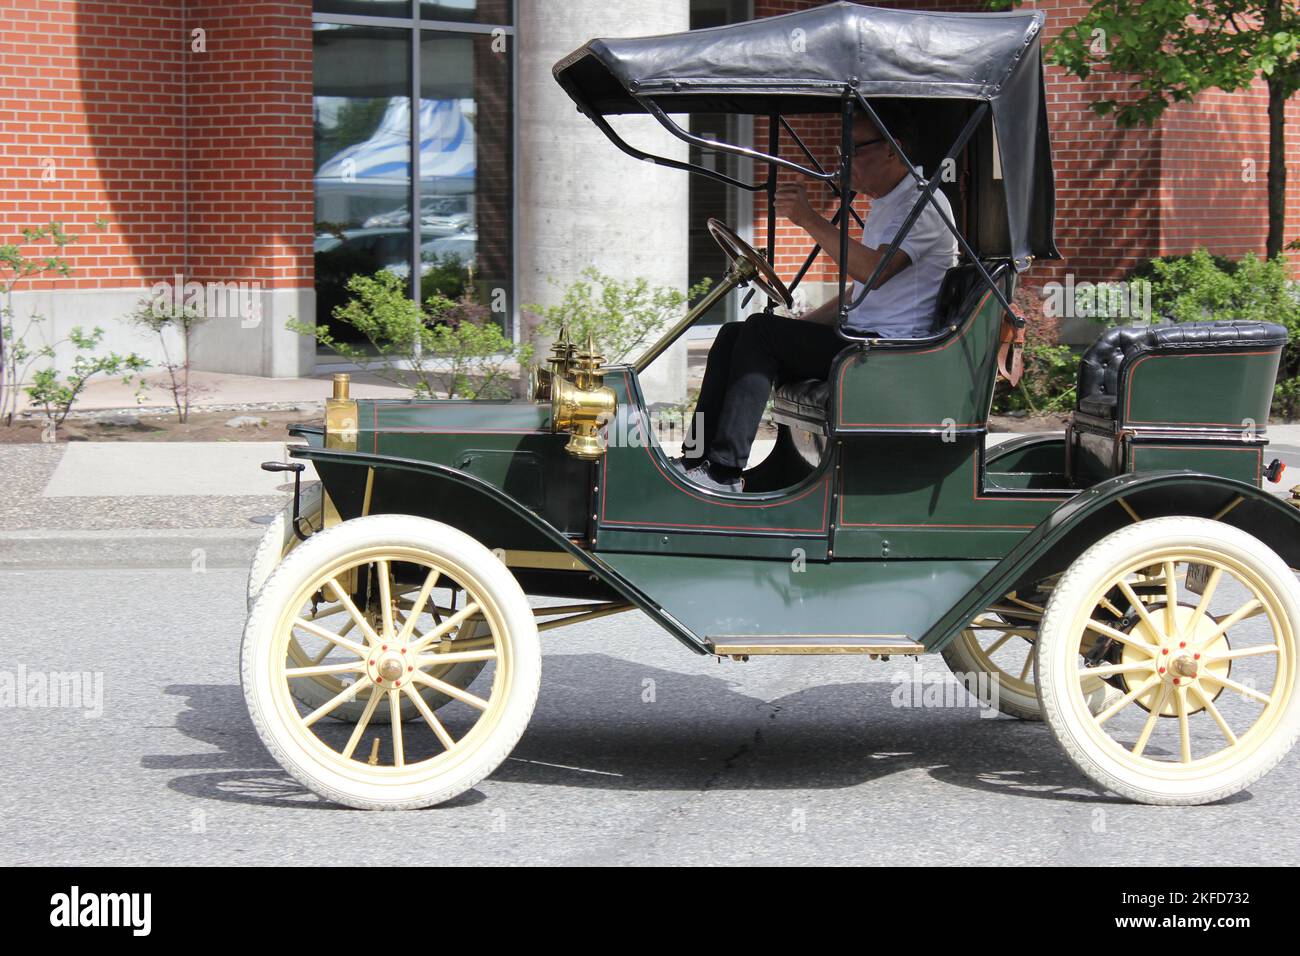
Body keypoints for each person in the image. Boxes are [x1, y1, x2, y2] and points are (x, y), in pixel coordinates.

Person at [679, 106, 959, 492]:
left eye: (855, 150)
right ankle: (696, 461)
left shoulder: (924, 205)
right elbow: (857, 292)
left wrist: (809, 219)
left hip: (889, 353)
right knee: (733, 333)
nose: (846, 162)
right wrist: (799, 327)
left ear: (893, 149)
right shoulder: (888, 203)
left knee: (760, 333)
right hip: (860, 338)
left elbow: (872, 272)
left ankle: (724, 472)